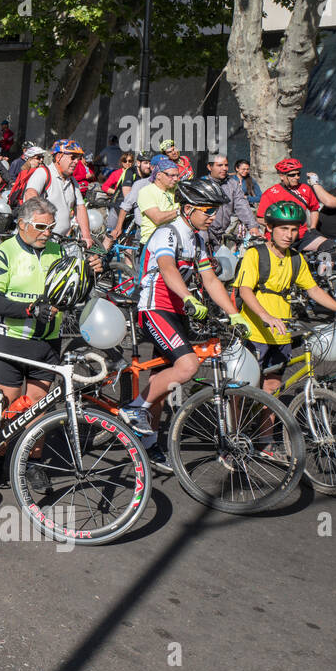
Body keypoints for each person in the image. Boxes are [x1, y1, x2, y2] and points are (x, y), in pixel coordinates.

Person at [0, 196, 96, 486]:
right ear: (22, 224)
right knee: (5, 403)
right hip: (12, 341)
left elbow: (74, 288)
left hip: (47, 341)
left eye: (51, 226)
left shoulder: (58, 250)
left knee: (38, 405)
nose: (47, 232)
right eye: (41, 227)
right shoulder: (3, 253)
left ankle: (32, 462)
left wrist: (92, 272)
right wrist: (29, 309)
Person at [122, 178, 240, 465]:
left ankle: (147, 443)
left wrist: (234, 313)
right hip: (155, 307)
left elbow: (210, 279)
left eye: (214, 211)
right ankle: (133, 409)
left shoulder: (197, 239)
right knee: (187, 366)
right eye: (207, 210)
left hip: (176, 311)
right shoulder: (169, 234)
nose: (212, 216)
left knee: (163, 383)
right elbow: (167, 267)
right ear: (188, 209)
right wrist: (189, 297)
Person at [233, 199, 336, 399]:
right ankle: (236, 429)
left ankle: (266, 432)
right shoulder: (255, 254)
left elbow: (314, 290)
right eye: (283, 228)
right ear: (269, 227)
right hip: (256, 331)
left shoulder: (296, 258)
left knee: (273, 388)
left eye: (293, 230)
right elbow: (245, 291)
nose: (289, 235)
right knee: (243, 388)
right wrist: (266, 316)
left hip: (282, 332)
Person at [22, 139, 93, 243]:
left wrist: (86, 236)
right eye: (73, 157)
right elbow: (30, 194)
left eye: (78, 158)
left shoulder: (72, 181)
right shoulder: (43, 173)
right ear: (59, 157)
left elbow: (80, 207)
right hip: (41, 239)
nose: (76, 162)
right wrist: (41, 222)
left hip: (61, 240)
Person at [257, 157, 328, 252]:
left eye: (298, 174)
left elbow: (314, 209)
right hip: (280, 237)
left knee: (330, 247)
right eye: (292, 175)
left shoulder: (305, 189)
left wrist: (313, 228)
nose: (297, 177)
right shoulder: (271, 193)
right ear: (281, 176)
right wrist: (280, 225)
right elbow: (260, 218)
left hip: (301, 235)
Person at [205, 153, 261, 243]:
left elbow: (241, 204)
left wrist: (252, 226)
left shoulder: (232, 184)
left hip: (223, 233)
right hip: (205, 233)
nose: (224, 168)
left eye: (226, 165)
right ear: (209, 167)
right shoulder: (203, 184)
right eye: (219, 165)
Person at [134, 154, 182, 245]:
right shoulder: (146, 191)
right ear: (159, 175)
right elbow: (158, 218)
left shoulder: (176, 189)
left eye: (177, 175)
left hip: (175, 238)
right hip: (153, 241)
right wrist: (181, 211)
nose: (176, 179)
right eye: (171, 175)